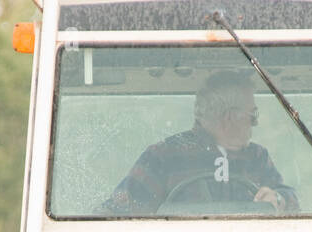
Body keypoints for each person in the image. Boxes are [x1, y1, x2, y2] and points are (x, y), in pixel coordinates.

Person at [103, 71, 298, 215]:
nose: (255, 122)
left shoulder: (256, 158)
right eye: (251, 115)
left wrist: (277, 199)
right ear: (230, 117)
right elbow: (118, 208)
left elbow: (291, 202)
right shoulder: (164, 157)